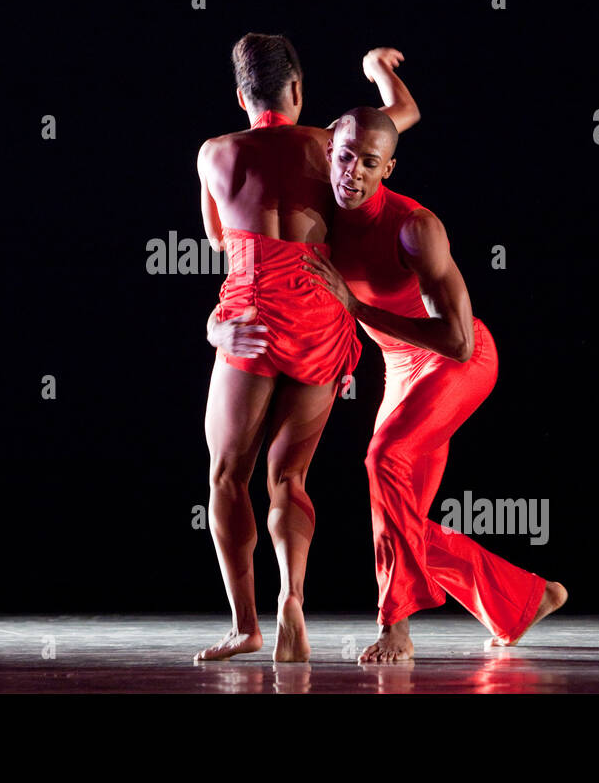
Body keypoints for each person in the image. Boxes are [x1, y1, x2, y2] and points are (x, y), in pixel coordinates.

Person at [297, 106, 568, 660]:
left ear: (388, 169)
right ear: (329, 152)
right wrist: (378, 72)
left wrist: (355, 308)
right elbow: (401, 112)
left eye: (369, 163)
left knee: (383, 459)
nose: (353, 172)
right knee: (401, 521)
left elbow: (459, 342)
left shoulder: (416, 227)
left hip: (456, 361)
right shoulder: (319, 201)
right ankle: (523, 598)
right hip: (401, 366)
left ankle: (395, 623)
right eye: (345, 157)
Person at [195, 36, 416, 662]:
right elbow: (403, 114)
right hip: (319, 315)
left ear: (242, 96)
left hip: (250, 318)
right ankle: (293, 600)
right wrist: (377, 70)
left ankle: (247, 625)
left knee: (226, 475)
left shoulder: (215, 153)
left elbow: (218, 239)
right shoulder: (333, 142)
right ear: (296, 90)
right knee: (289, 477)